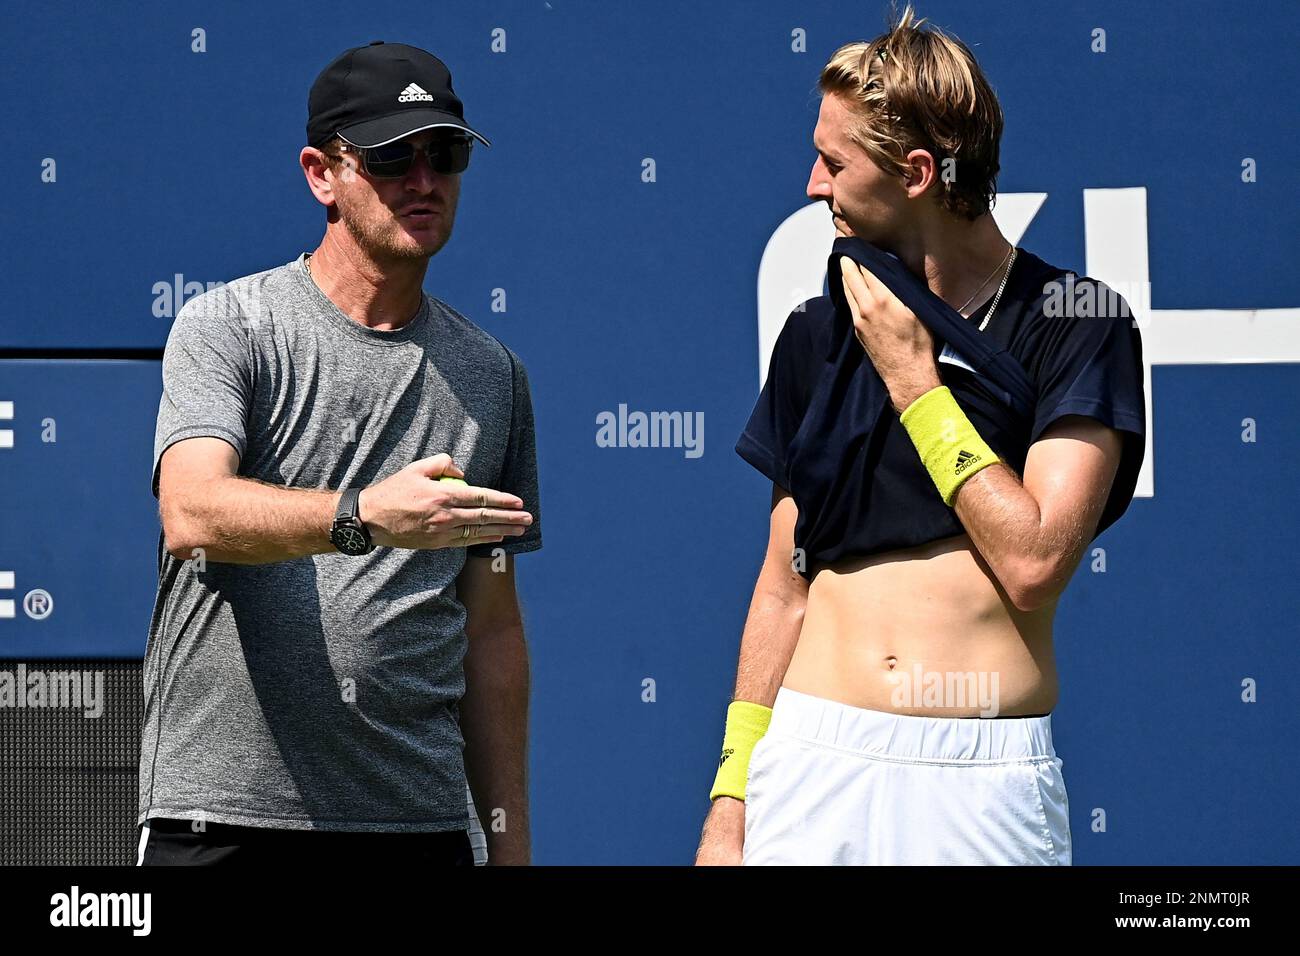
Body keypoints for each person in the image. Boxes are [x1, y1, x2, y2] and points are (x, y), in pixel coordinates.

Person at [696, 7, 1146, 866]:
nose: (812, 185)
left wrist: (916, 383)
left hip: (981, 790)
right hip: (809, 766)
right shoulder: (813, 335)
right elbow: (782, 587)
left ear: (915, 172)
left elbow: (1035, 561)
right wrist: (731, 796)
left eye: (833, 162)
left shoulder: (1078, 323)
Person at [138, 41, 541, 866]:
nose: (423, 181)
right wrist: (362, 518)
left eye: (446, 155)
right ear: (322, 174)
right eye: (393, 157)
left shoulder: (491, 375)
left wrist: (508, 843)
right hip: (222, 821)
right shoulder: (229, 326)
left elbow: (491, 626)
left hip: (416, 829)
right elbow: (191, 513)